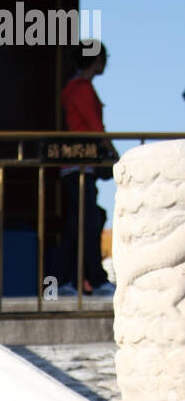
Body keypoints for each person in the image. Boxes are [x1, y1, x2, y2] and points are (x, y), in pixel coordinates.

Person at [57, 41, 117, 297]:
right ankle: (94, 278)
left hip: (77, 164)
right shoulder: (81, 89)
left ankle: (66, 281)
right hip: (80, 164)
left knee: (81, 222)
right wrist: (113, 153)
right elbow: (94, 126)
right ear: (96, 61)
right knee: (87, 222)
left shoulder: (74, 87)